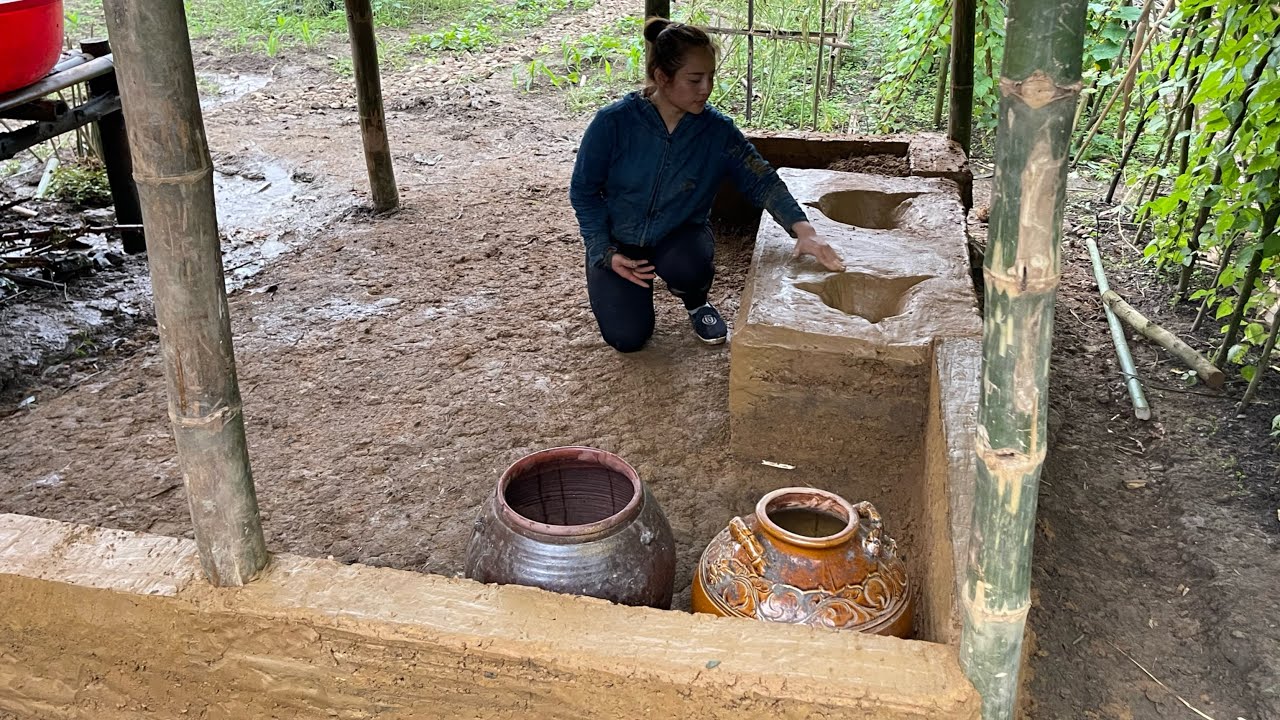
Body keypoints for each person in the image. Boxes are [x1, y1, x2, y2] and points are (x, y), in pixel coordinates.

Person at [569, 17, 845, 353]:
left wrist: (803, 230)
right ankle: (624, 281)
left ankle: (696, 302)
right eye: (695, 79)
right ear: (661, 78)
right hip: (619, 240)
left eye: (711, 77)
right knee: (627, 338)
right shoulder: (614, 123)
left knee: (688, 265)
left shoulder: (716, 131)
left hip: (679, 235)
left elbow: (761, 178)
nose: (706, 89)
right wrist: (603, 250)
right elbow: (584, 191)